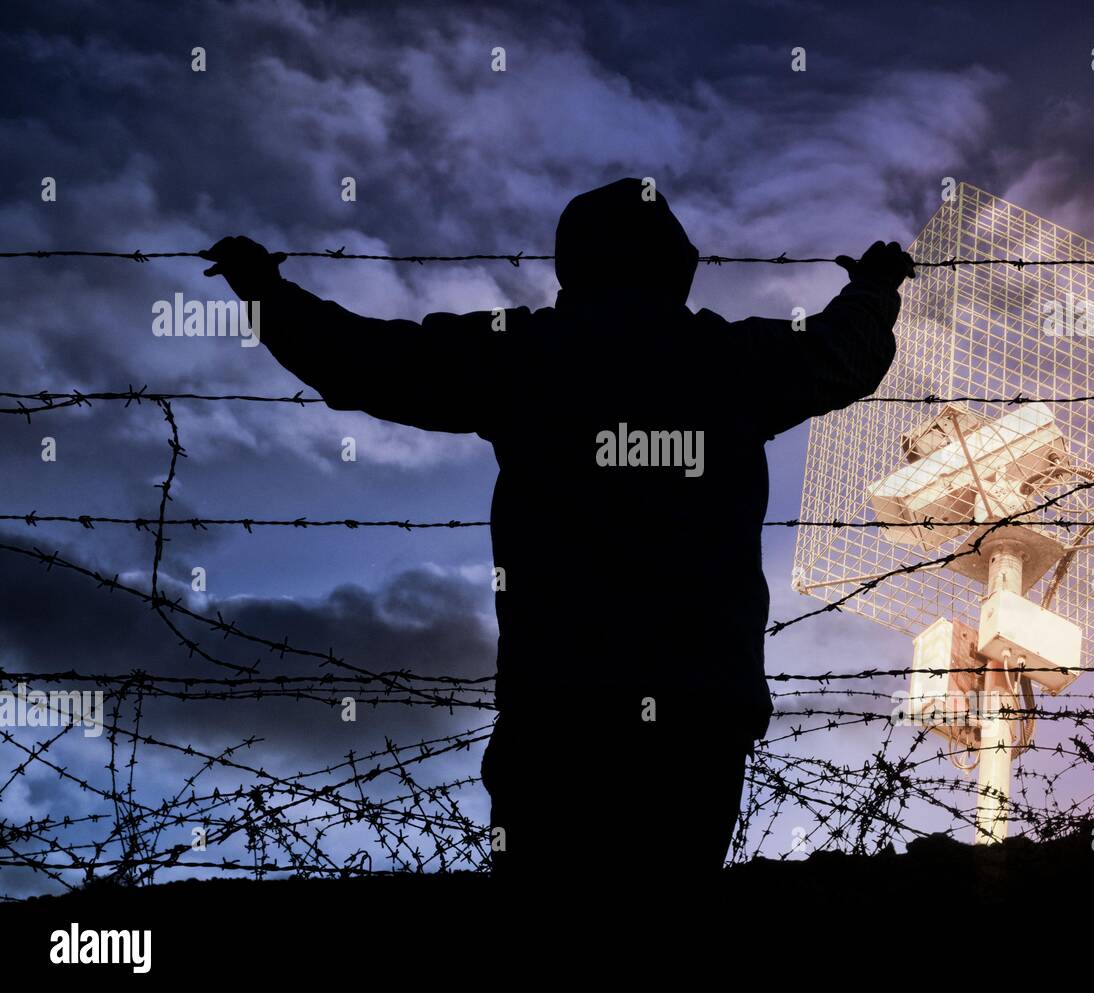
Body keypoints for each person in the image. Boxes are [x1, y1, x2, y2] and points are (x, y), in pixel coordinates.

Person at [200, 177, 911, 889]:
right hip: (697, 715)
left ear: (574, 266)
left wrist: (265, 292)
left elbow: (363, 359)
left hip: (557, 708)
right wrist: (875, 286)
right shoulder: (731, 363)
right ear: (678, 265)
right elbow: (844, 351)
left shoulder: (527, 355)